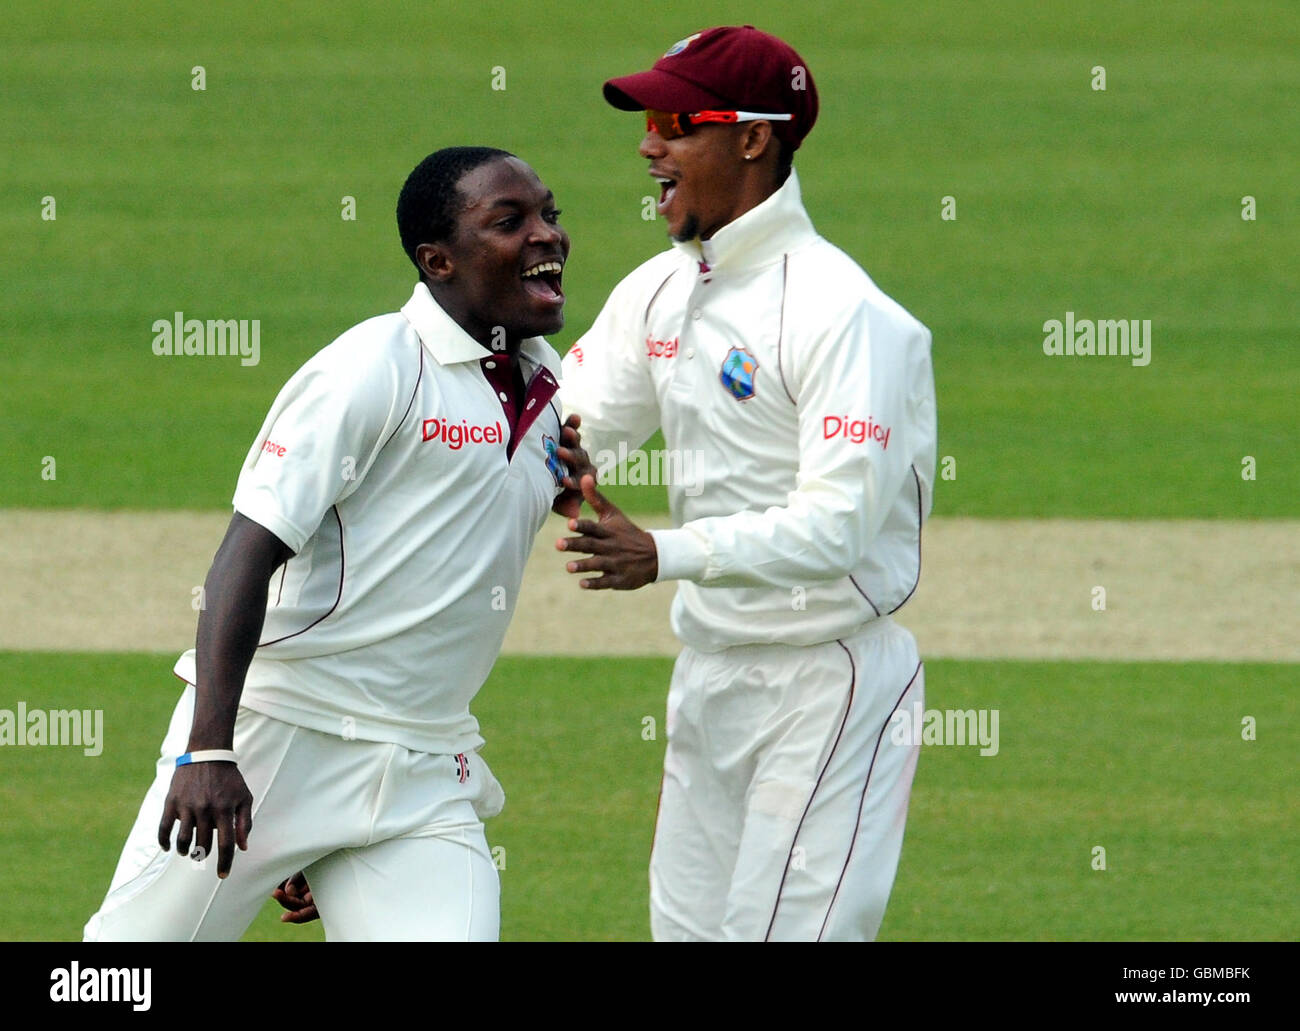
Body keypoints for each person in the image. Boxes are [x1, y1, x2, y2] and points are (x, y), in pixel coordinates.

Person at [84, 146, 589, 942]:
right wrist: (206, 752)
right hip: (277, 743)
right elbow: (244, 557)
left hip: (425, 766)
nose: (548, 236)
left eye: (550, 215)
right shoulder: (371, 368)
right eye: (510, 221)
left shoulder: (545, 385)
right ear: (438, 260)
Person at [556, 25, 938, 941]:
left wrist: (665, 552)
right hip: (710, 675)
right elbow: (552, 435)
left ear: (755, 137)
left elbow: (838, 524)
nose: (649, 143)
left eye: (676, 121)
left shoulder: (847, 314)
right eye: (648, 121)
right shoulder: (659, 289)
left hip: (828, 679)